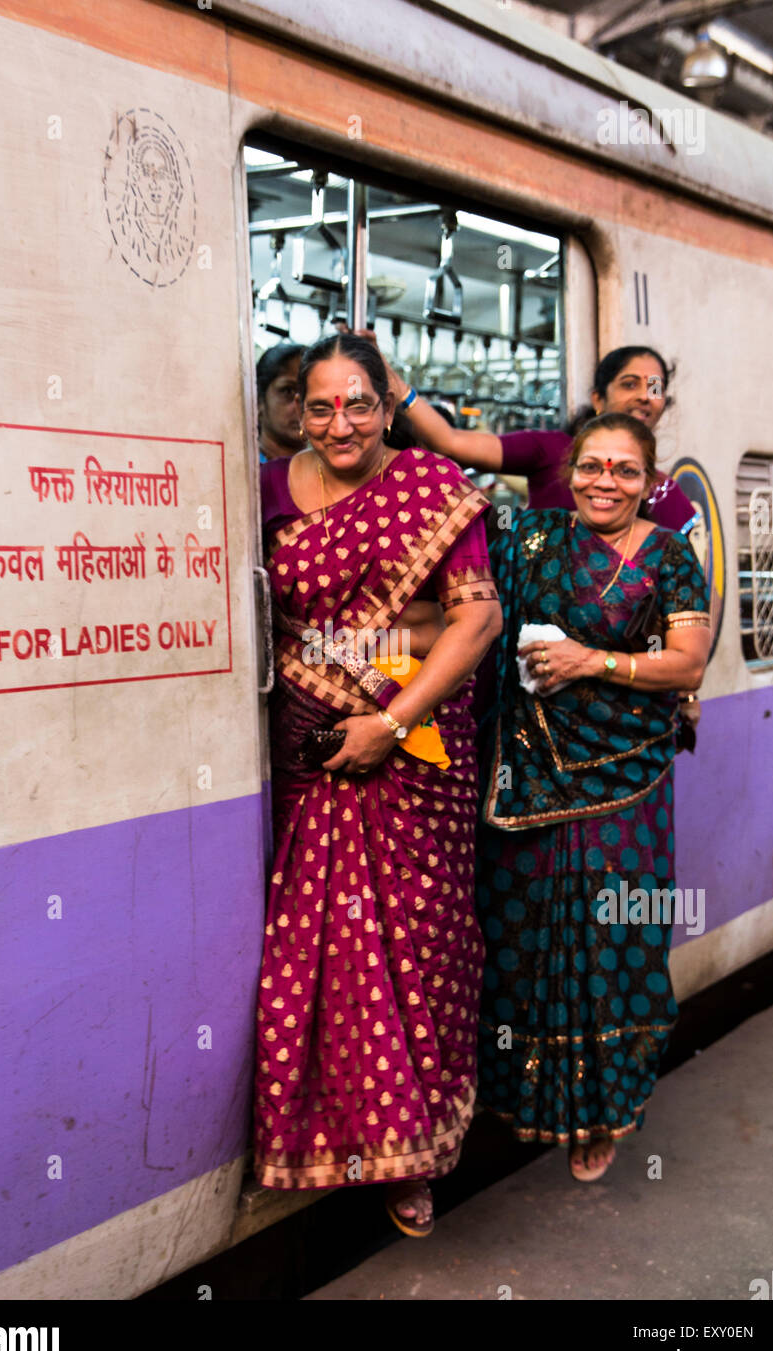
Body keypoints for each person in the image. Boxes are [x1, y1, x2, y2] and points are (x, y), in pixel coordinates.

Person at [253, 334, 502, 1235]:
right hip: (306, 748)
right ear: (298, 411)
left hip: (416, 747)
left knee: (419, 949)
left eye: (357, 402)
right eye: (319, 406)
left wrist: (390, 725)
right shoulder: (269, 492)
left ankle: (414, 1155)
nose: (339, 423)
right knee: (313, 951)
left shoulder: (435, 491)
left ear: (388, 400)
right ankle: (325, 1136)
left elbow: (478, 618)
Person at [476, 411, 709, 1181]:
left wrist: (590, 663)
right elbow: (476, 609)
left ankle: (600, 1112)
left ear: (648, 482)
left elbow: (687, 666)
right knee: (524, 938)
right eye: (590, 466)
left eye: (624, 470)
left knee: (614, 943)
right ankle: (525, 1098)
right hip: (530, 776)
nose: (603, 482)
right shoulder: (531, 539)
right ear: (569, 470)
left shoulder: (672, 556)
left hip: (626, 781)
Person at [379, 344, 697, 533]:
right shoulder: (551, 449)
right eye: (630, 384)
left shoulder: (663, 490)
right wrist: (392, 381)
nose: (644, 396)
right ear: (598, 399)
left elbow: (689, 603)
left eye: (655, 388)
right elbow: (449, 442)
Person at [256, 342, 303, 463]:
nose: (302, 406)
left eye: (309, 392)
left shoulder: (331, 473)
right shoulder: (244, 470)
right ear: (259, 401)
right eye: (288, 391)